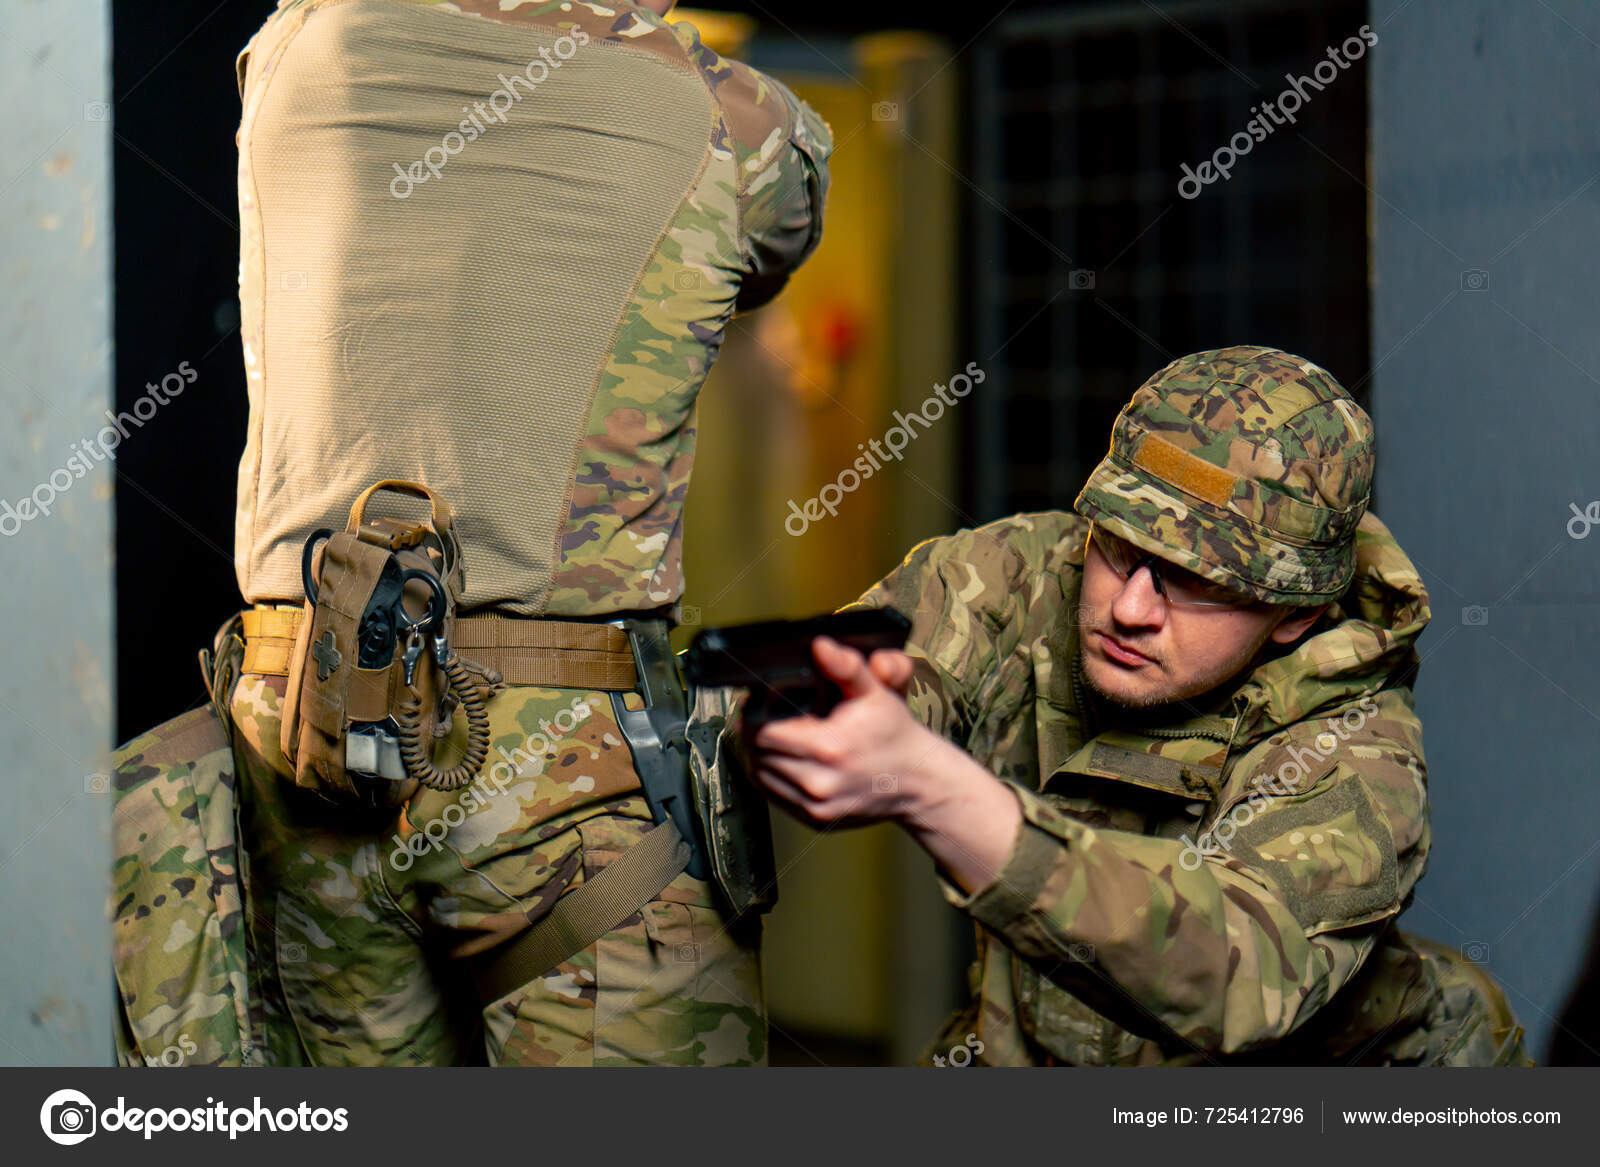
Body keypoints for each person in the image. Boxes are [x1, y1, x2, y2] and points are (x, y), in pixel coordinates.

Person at [111, 0, 831, 1066]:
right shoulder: (730, 119)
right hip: (559, 758)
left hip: (307, 728)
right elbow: (775, 242)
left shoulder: (295, 46)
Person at [746, 345, 1530, 1065]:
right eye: (1123, 544)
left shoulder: (1355, 746)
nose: (1131, 607)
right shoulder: (1023, 573)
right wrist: (818, 716)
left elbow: (1235, 967)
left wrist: (944, 794)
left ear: (1295, 615)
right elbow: (891, 673)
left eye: (1196, 580)